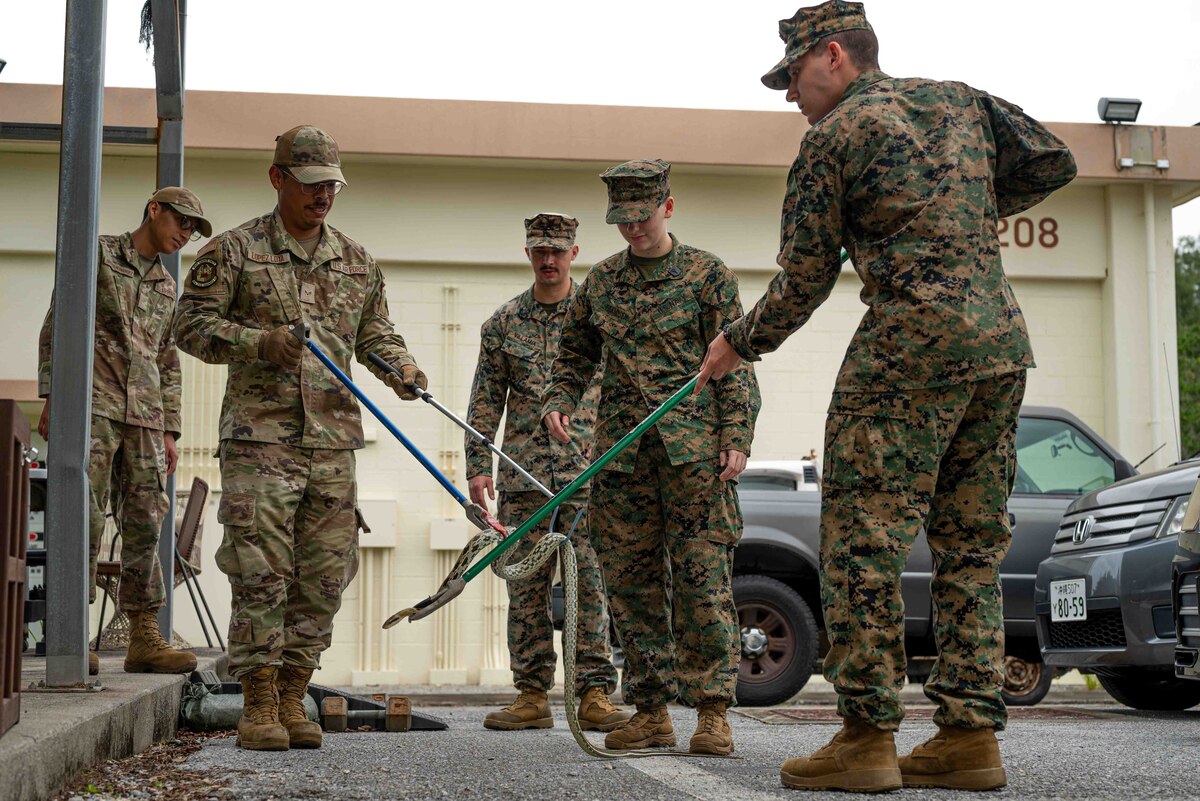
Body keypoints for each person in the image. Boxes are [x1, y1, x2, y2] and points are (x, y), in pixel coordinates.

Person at [696, 1, 1077, 790]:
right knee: (972, 548)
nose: (788, 93)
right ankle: (970, 737)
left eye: (793, 73)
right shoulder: (960, 100)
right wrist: (961, 215)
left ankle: (866, 738)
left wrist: (738, 341)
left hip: (907, 351)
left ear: (833, 54)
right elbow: (1052, 160)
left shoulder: (832, 139)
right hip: (998, 346)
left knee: (861, 546)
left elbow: (801, 283)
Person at [173, 125, 427, 752]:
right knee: (261, 569)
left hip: (333, 442)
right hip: (260, 439)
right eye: (311, 185)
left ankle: (294, 695)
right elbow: (190, 326)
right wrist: (260, 342)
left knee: (323, 573)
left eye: (332, 186)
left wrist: (402, 370)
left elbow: (375, 335)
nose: (323, 197)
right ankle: (257, 701)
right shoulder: (233, 251)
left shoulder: (358, 261)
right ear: (278, 178)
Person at [542, 160, 760, 755]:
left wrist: (736, 434)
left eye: (642, 217)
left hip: (694, 457)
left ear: (668, 206)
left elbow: (736, 360)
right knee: (632, 587)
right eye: (623, 220)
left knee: (701, 583)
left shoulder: (706, 275)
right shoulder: (603, 283)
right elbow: (574, 355)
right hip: (622, 458)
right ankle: (651, 710)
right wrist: (559, 400)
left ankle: (713, 713)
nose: (633, 230)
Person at [465, 212, 630, 733]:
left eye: (558, 250)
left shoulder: (601, 318)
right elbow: (485, 402)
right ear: (529, 254)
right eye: (541, 250)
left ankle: (594, 694)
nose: (550, 259)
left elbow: (627, 394)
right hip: (523, 478)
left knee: (590, 586)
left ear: (574, 252)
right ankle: (532, 694)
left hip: (588, 478)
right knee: (527, 588)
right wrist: (477, 467)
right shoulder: (504, 324)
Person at [38, 186, 211, 678]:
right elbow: (59, 323)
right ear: (154, 210)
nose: (185, 234)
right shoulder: (95, 254)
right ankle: (69, 631)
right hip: (92, 406)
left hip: (146, 418)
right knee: (83, 516)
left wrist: (171, 430)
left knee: (145, 522)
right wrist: (53, 396)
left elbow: (167, 358)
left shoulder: (165, 284)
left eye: (193, 230)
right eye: (181, 222)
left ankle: (143, 637)